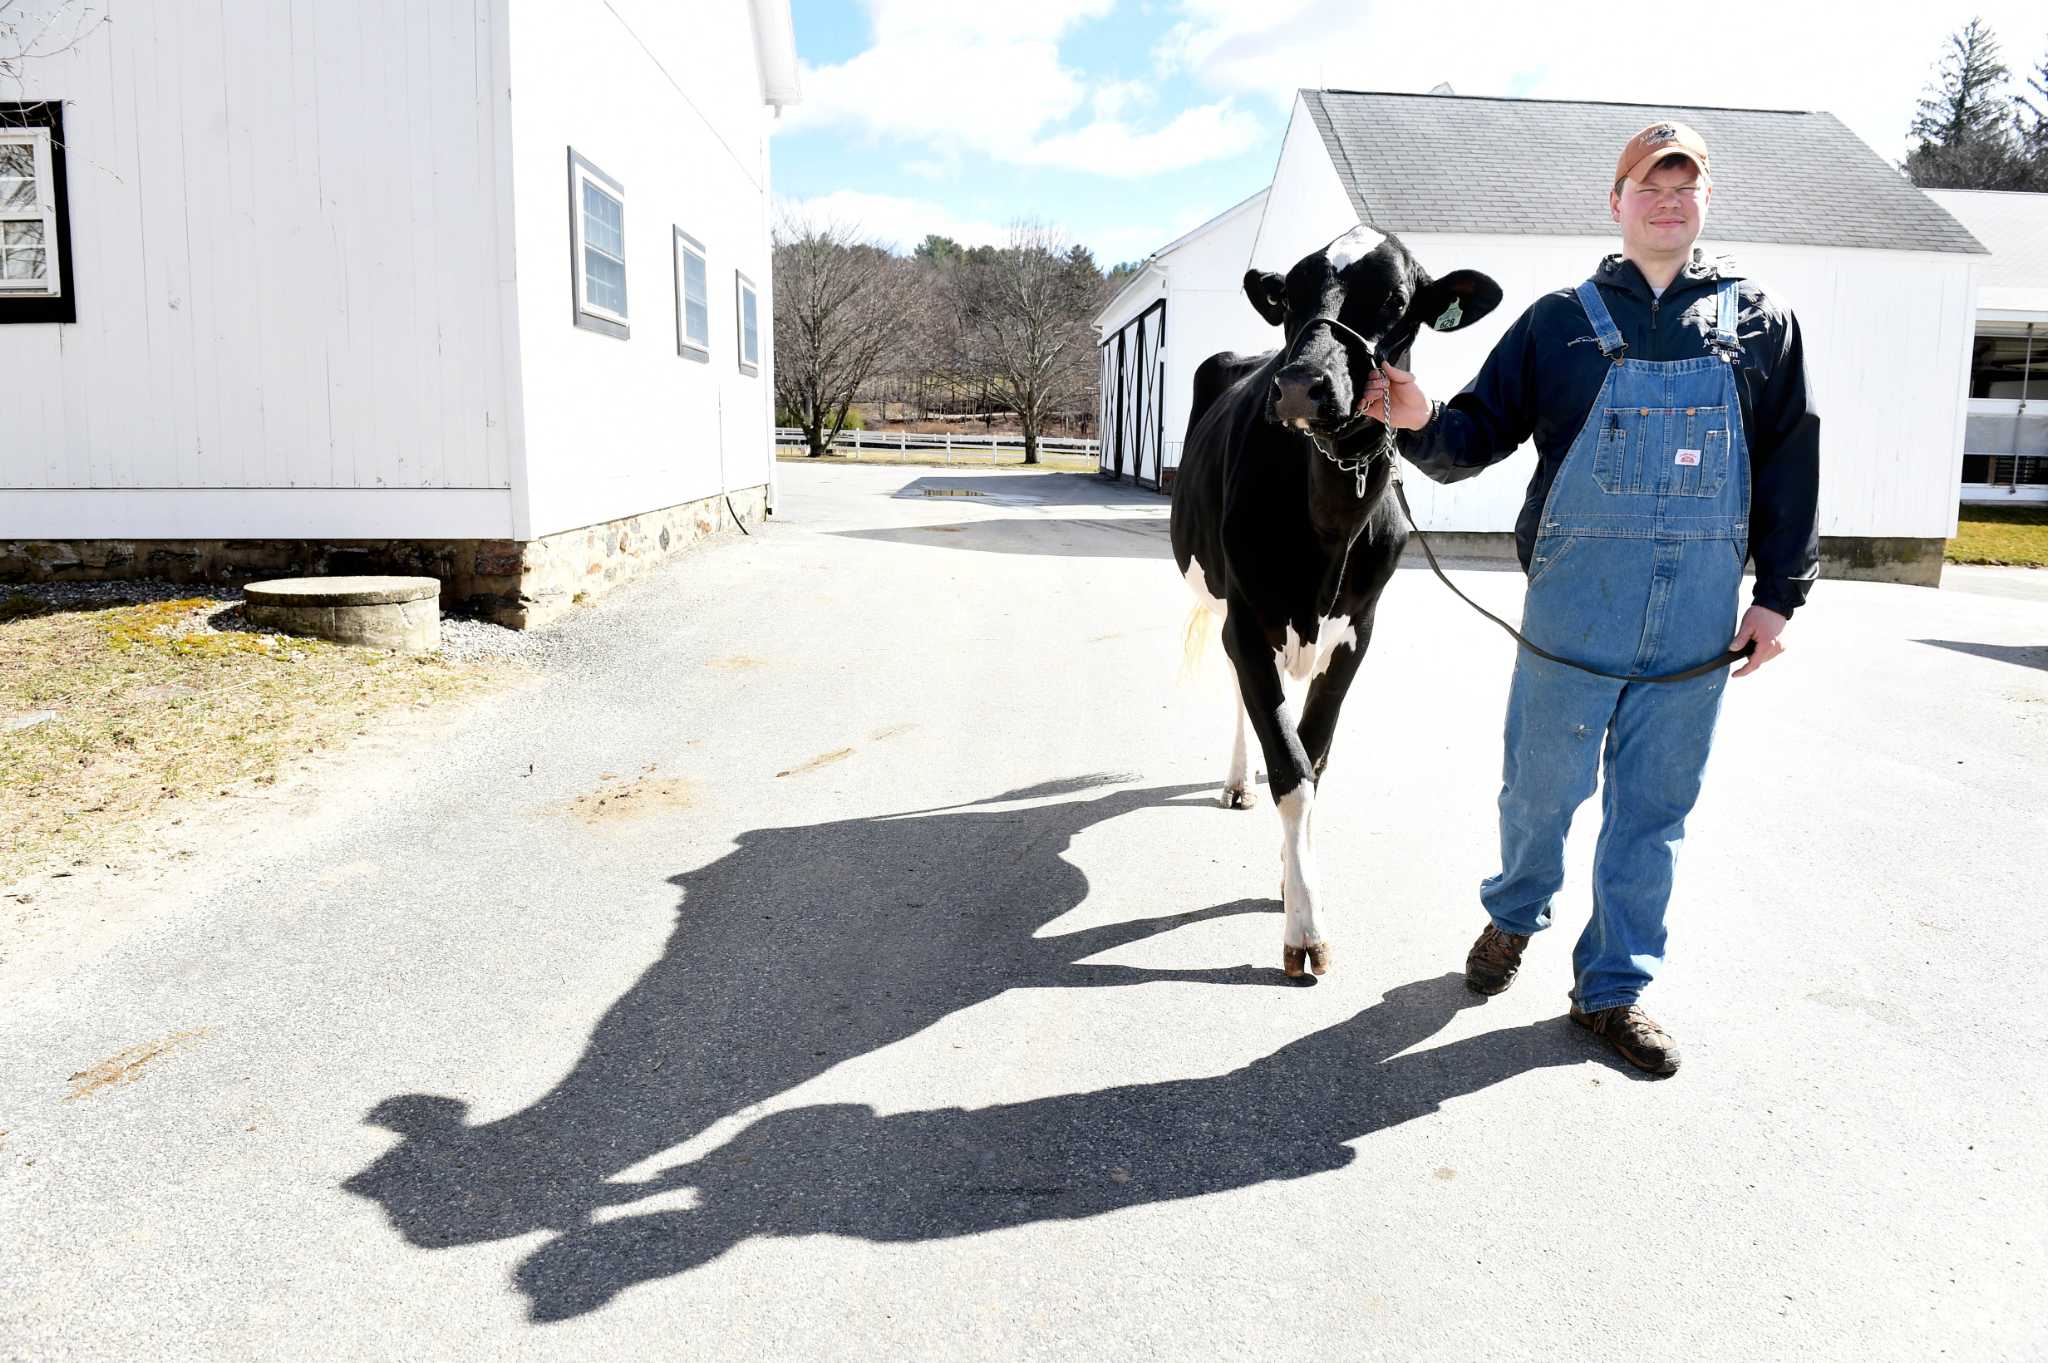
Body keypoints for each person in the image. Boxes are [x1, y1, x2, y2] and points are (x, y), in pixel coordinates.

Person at [1362, 121, 1820, 1076]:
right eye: (1650, 186)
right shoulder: (1557, 323)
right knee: (1540, 791)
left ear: (1706, 202)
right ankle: (1513, 913)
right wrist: (1421, 418)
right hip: (1575, 606)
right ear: (1617, 202)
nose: (1668, 203)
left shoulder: (1762, 323)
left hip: (1698, 616)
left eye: (1685, 187)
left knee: (1654, 810)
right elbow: (1475, 434)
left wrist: (1780, 595)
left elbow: (1789, 461)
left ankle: (1612, 989)